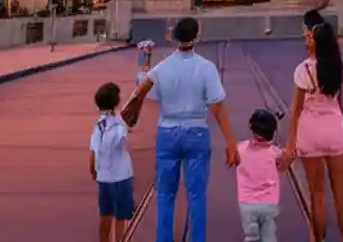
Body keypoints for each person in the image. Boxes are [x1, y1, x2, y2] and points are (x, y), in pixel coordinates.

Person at [121, 17, 239, 242]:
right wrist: (230, 142)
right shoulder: (206, 68)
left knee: (165, 194)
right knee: (196, 196)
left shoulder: (162, 68)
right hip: (196, 132)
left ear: (174, 37)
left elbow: (142, 89)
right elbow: (217, 106)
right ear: (197, 36)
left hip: (168, 132)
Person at [284, 18, 343, 242]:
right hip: (334, 129)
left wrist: (290, 143)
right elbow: (340, 105)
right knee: (341, 193)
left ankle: (318, 239)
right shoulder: (338, 69)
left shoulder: (303, 70)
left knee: (317, 194)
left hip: (310, 132)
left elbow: (296, 109)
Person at [90, 82, 134, 242]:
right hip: (121, 177)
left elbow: (93, 150)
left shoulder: (98, 125)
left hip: (104, 177)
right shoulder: (119, 123)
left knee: (105, 214)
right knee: (121, 217)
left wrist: (94, 171)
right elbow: (122, 136)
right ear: (116, 101)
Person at [237, 109, 287, 242]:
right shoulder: (275, 153)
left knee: (251, 236)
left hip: (247, 204)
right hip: (269, 203)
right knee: (268, 235)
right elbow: (285, 163)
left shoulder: (240, 149)